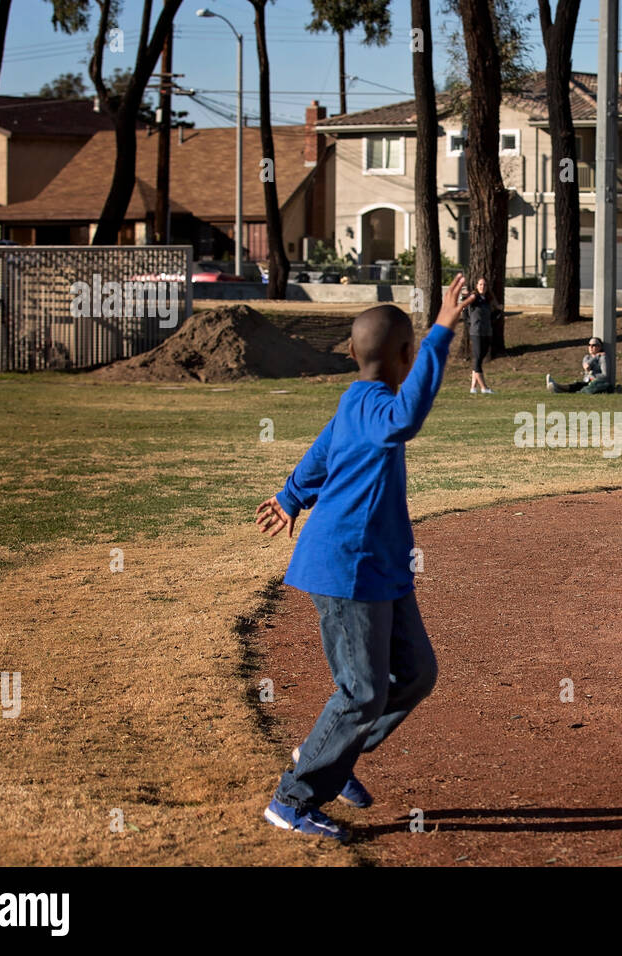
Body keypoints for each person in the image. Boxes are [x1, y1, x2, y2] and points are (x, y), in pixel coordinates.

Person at [253, 274, 475, 841]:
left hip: (381, 568)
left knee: (416, 674)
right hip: (348, 569)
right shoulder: (378, 411)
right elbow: (405, 419)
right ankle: (292, 799)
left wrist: (289, 495)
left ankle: (329, 753)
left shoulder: (355, 401)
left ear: (352, 354)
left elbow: (321, 452)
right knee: (361, 692)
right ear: (406, 357)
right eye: (414, 352)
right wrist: (443, 329)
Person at [465, 277, 497, 394]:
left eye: (484, 285)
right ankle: (484, 388)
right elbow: (465, 305)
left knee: (480, 359)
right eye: (480, 284)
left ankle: (473, 387)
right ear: (476, 286)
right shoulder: (475, 298)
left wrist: (498, 309)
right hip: (476, 332)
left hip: (487, 332)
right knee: (477, 359)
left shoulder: (487, 299)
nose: (482, 287)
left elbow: (492, 314)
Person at [547, 336, 612, 393]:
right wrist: (595, 357)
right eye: (589, 345)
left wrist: (592, 374)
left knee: (578, 386)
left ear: (599, 347)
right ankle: (556, 386)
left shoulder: (603, 358)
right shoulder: (587, 357)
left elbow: (605, 375)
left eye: (594, 345)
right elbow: (586, 367)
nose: (591, 347)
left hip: (596, 382)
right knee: (577, 385)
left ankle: (556, 386)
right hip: (586, 382)